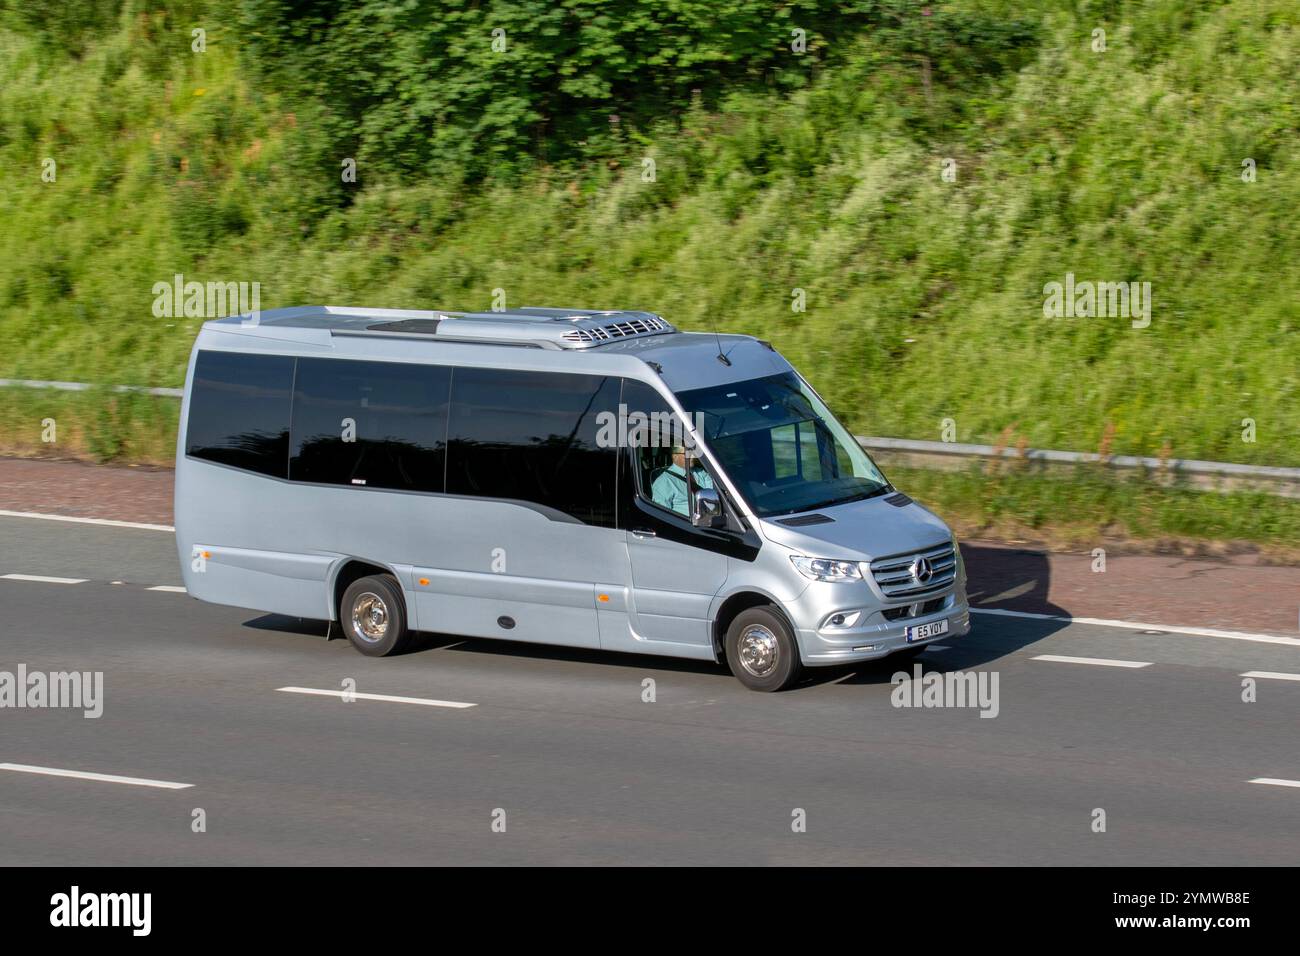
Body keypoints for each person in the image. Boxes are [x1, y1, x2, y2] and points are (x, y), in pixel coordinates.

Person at [651, 445, 712, 516]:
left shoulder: (701, 472)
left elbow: (714, 492)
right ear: (675, 457)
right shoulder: (664, 482)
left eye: (693, 453)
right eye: (687, 454)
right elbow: (662, 516)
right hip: (685, 524)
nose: (692, 456)